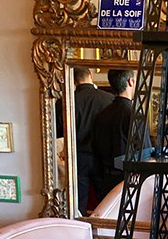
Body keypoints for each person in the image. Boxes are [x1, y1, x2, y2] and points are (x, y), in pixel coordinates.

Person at [93, 68, 152, 199]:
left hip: (106, 182)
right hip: (129, 183)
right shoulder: (135, 116)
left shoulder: (101, 115)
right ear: (131, 81)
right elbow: (145, 154)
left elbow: (96, 152)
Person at [63, 67, 113, 216]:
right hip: (102, 156)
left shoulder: (67, 100)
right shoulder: (108, 99)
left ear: (73, 80)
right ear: (90, 74)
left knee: (78, 202)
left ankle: (80, 226)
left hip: (77, 156)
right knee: (105, 200)